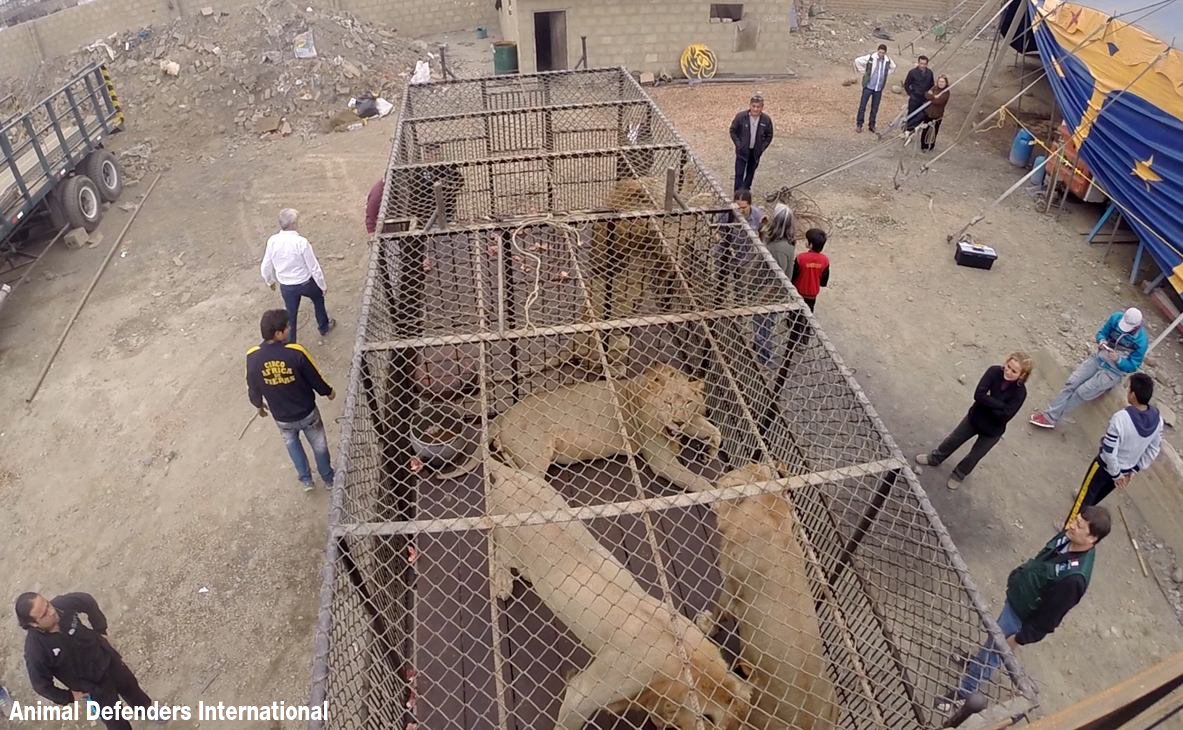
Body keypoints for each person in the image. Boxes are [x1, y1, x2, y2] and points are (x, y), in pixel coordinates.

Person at [939, 507, 1110, 711]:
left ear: (1092, 539)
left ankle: (964, 693)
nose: (1072, 525)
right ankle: (977, 664)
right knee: (992, 645)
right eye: (1076, 520)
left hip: (1021, 616)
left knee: (994, 651)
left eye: (1080, 526)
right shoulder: (1069, 537)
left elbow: (1049, 619)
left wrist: (1020, 638)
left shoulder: (1074, 580)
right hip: (1019, 600)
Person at [16, 592, 161, 730]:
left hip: (109, 660)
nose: (52, 611)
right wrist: (68, 697)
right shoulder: (35, 651)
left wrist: (101, 630)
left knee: (132, 689)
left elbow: (87, 600)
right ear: (33, 624)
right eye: (44, 614)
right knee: (115, 721)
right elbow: (40, 685)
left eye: (47, 604)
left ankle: (148, 711)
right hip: (92, 687)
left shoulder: (63, 606)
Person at [247, 309, 336, 492]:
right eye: (287, 327)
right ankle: (328, 479)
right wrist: (328, 392)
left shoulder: (253, 356)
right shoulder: (295, 352)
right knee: (319, 445)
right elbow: (314, 377)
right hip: (307, 412)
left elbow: (252, 384)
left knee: (293, 447)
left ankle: (306, 480)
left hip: (282, 417)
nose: (290, 328)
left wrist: (258, 405)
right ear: (278, 333)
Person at [916, 353, 1032, 490]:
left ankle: (959, 474)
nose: (1008, 371)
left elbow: (1005, 416)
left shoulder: (1020, 393)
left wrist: (988, 400)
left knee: (974, 456)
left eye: (1014, 371)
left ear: (1022, 375)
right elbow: (978, 395)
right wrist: (1001, 405)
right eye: (1008, 366)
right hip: (974, 418)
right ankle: (935, 458)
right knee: (953, 439)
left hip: (992, 431)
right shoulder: (994, 371)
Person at [1064, 373, 1163, 527]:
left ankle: (1068, 529)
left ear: (1133, 395)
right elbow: (1153, 449)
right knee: (1097, 496)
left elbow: (1109, 451)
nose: (1127, 391)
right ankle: (1085, 517)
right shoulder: (1157, 420)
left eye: (1128, 389)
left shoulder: (1121, 418)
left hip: (1104, 468)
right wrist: (1134, 470)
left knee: (1085, 497)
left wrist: (1115, 473)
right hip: (1125, 471)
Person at [1030, 307, 1148, 429]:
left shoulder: (1141, 342)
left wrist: (1119, 360)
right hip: (1098, 359)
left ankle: (1052, 417)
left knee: (1082, 392)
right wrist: (1101, 341)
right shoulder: (1115, 318)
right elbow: (1102, 333)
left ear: (1136, 326)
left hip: (1113, 371)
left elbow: (1133, 366)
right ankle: (1050, 415)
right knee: (1072, 383)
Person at [260, 208, 335, 344]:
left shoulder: (272, 241)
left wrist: (269, 281)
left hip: (287, 286)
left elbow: (266, 265)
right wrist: (322, 285)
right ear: (293, 224)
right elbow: (314, 267)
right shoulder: (301, 242)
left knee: (290, 315)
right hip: (305, 283)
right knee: (318, 299)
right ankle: (324, 326)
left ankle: (290, 344)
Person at [754, 205, 795, 365]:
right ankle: (759, 348)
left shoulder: (779, 249)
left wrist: (762, 297)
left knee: (763, 325)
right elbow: (765, 239)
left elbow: (779, 280)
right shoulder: (780, 240)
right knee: (761, 324)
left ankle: (765, 359)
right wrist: (763, 226)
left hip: (769, 295)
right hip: (765, 290)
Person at [729, 94, 774, 193]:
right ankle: (737, 194)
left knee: (750, 173)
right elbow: (733, 131)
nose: (755, 109)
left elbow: (769, 135)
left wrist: (762, 147)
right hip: (742, 151)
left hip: (755, 152)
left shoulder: (766, 120)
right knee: (739, 173)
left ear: (762, 107)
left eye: (758, 107)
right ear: (750, 105)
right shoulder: (741, 117)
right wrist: (739, 144)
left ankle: (746, 192)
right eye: (754, 106)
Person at [854, 44, 897, 133]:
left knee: (875, 107)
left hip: (878, 87)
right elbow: (857, 61)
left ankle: (872, 125)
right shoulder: (871, 58)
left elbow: (893, 67)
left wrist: (886, 74)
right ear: (877, 51)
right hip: (869, 86)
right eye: (880, 52)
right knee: (863, 106)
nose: (881, 54)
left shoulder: (887, 60)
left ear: (885, 53)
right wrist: (865, 72)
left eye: (883, 53)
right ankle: (859, 124)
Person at [790, 229, 830, 311]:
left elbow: (794, 275)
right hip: (813, 294)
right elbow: (823, 281)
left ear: (810, 245)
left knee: (795, 310)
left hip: (798, 291)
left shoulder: (800, 258)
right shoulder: (825, 260)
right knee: (808, 311)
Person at [902, 56, 934, 132]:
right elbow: (906, 84)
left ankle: (914, 131)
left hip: (924, 99)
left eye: (924, 64)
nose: (922, 66)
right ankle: (907, 131)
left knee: (921, 116)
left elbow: (932, 85)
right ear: (918, 63)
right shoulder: (912, 72)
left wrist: (929, 93)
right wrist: (911, 94)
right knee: (911, 115)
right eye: (921, 63)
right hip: (915, 98)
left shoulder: (930, 73)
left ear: (927, 64)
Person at [921, 75, 950, 151]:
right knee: (925, 129)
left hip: (937, 115)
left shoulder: (946, 92)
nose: (941, 83)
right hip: (928, 113)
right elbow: (926, 95)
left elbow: (938, 101)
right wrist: (934, 96)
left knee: (934, 131)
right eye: (940, 81)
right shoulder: (934, 87)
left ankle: (931, 144)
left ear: (946, 83)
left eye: (943, 82)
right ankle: (923, 145)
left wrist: (931, 96)